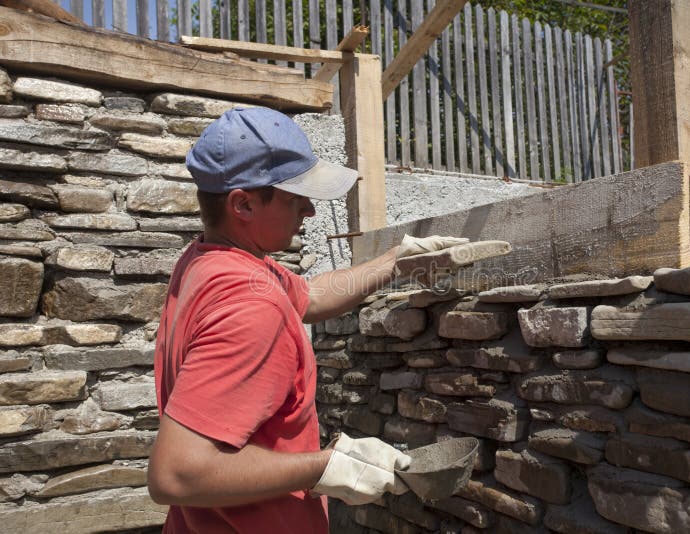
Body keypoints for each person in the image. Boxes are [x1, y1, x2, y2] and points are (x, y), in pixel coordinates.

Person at [147, 107, 467, 533]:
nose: (310, 211)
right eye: (295, 196)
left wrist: (394, 263)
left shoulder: (209, 262)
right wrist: (327, 467)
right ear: (242, 203)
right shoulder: (250, 303)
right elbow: (176, 474)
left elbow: (309, 295)